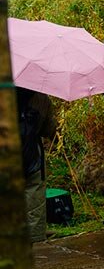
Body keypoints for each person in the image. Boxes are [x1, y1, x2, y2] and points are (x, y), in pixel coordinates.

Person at [17, 88, 55, 242]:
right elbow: (49, 129)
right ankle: (33, 241)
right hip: (32, 156)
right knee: (33, 198)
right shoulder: (41, 97)